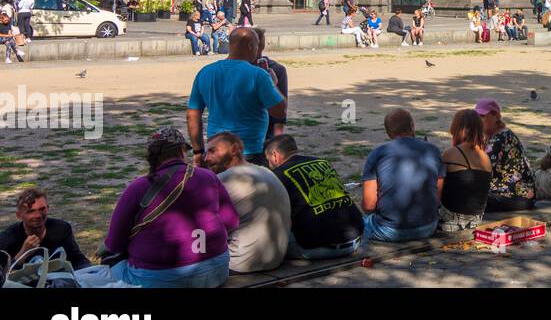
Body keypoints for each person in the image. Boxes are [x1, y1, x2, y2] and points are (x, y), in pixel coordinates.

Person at [102, 126, 239, 288]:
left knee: (110, 259)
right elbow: (231, 222)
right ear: (182, 151)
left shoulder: (138, 187)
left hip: (159, 279)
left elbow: (114, 244)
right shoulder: (208, 177)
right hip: (216, 272)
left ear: (151, 156)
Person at [186, 27, 287, 170]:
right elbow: (279, 111)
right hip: (250, 152)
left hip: (216, 151)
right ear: (251, 46)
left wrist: (198, 151)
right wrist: (273, 83)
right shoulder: (259, 75)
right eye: (257, 45)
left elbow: (192, 116)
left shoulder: (205, 72)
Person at [264, 135, 364, 261]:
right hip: (355, 240)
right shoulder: (322, 163)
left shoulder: (278, 175)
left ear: (275, 155)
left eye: (268, 159)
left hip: (313, 249)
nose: (269, 164)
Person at [205, 131, 291, 275]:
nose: (207, 158)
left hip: (238, 263)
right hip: (275, 259)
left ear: (234, 149)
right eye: (206, 153)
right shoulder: (266, 172)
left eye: (213, 151)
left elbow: (204, 226)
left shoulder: (223, 179)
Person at [361, 108, 444, 241]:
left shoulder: (377, 154)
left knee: (356, 224)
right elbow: (437, 198)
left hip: (390, 230)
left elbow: (369, 205)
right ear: (412, 126)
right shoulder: (433, 150)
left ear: (389, 133)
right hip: (428, 227)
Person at [0, 188, 90, 270]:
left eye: (42, 209)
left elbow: (77, 259)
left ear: (48, 208)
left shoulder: (61, 229)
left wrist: (91, 272)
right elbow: (3, 275)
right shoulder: (8, 238)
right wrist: (23, 253)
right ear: (19, 215)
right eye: (31, 211)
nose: (38, 215)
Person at [476, 99, 536, 212]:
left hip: (516, 197)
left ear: (495, 116)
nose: (478, 120)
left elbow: (481, 171)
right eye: (477, 116)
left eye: (482, 116)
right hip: (518, 195)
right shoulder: (497, 134)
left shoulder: (500, 137)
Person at [437, 110, 493, 231]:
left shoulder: (451, 153)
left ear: (457, 128)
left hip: (450, 220)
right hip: (475, 220)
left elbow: (437, 189)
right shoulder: (485, 157)